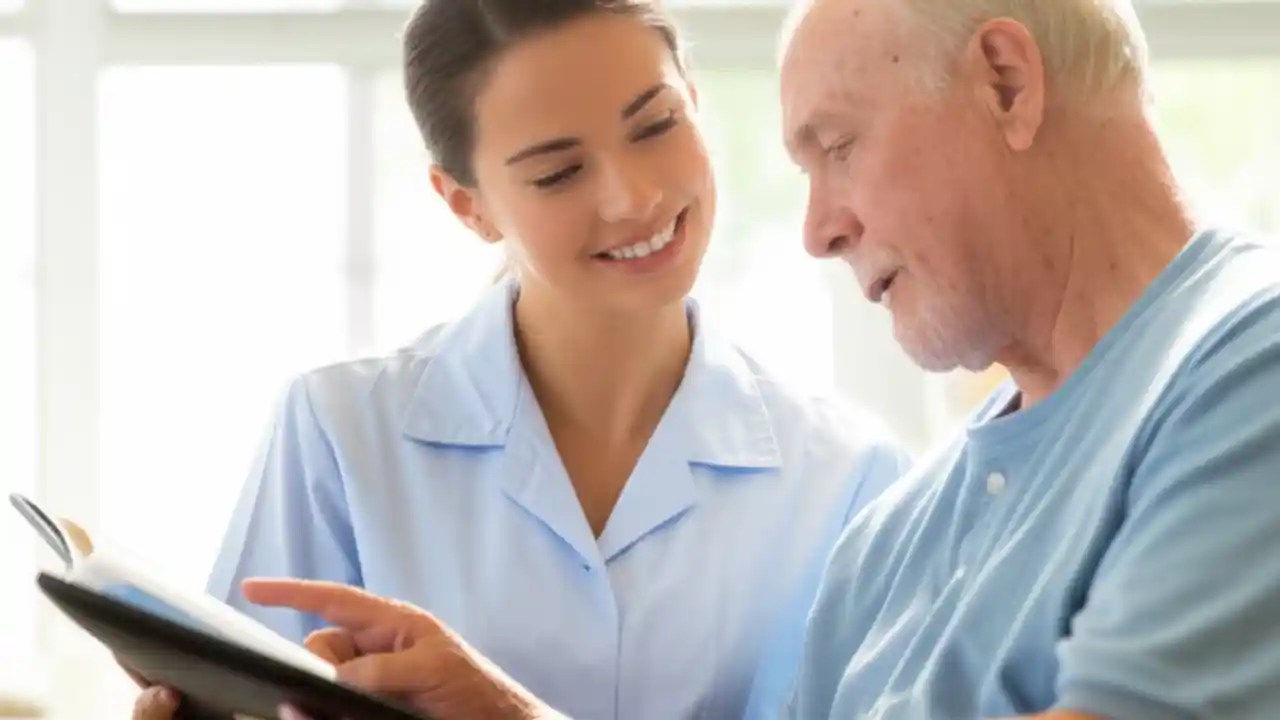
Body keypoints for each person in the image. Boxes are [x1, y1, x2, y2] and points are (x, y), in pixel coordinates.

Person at [203, 0, 1280, 718]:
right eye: (555, 169)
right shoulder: (900, 536)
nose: (812, 230)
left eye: (838, 146)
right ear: (466, 204)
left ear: (1004, 82)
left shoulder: (1242, 369)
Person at [128, 1, 911, 718]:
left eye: (656, 124)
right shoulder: (338, 438)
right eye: (558, 173)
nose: (633, 196)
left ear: (696, 103)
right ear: (465, 204)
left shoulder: (851, 481)